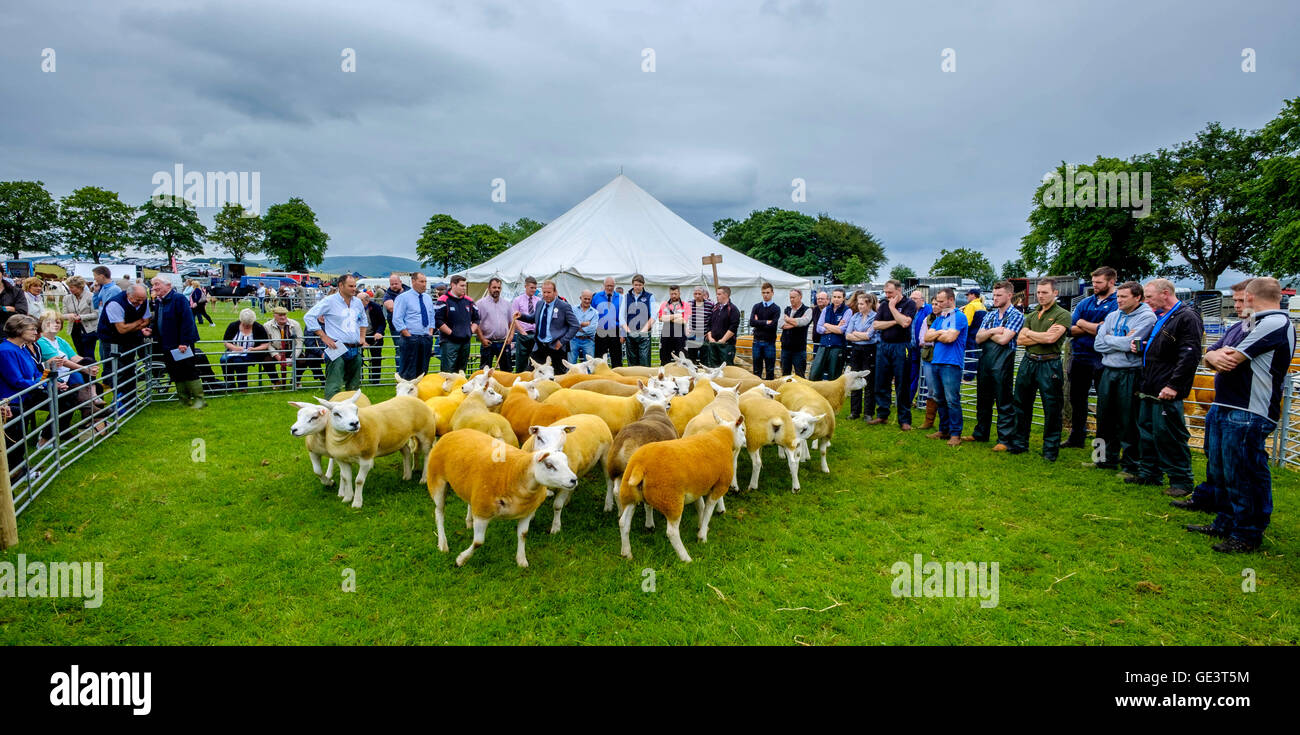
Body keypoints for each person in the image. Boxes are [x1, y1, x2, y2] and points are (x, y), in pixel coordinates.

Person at [1187, 277, 1293, 553]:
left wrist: (1216, 357)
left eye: (1241, 298)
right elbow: (1209, 355)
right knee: (1222, 468)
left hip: (1250, 410)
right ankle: (1225, 521)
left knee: (1244, 471)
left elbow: (1230, 360)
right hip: (1224, 406)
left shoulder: (1275, 323)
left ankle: (1247, 533)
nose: (1237, 304)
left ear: (1251, 297)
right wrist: (1213, 357)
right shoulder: (1243, 325)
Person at [1128, 278, 1203, 495]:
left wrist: (1174, 385)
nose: (1146, 301)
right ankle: (1149, 473)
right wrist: (1142, 348)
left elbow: (1189, 354)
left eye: (1149, 297)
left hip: (1166, 388)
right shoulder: (1163, 317)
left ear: (1166, 293)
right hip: (1150, 386)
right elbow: (1165, 349)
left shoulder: (1186, 317)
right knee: (1148, 432)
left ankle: (1181, 481)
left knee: (1169, 434)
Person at [1087, 281, 1155, 474]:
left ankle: (1130, 464)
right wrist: (1118, 341)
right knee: (1103, 417)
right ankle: (1101, 458)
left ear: (1138, 297)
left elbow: (1129, 345)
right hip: (1108, 370)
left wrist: (1109, 338)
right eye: (1118, 296)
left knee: (1128, 420)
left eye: (1124, 297)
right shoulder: (1112, 315)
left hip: (1130, 373)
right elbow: (1098, 345)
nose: (1119, 300)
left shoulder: (1146, 317)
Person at [1008, 280, 1072, 460]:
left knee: (1051, 407)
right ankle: (1020, 443)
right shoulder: (1032, 315)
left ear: (1055, 293)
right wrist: (1039, 336)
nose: (1041, 295)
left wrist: (1031, 334)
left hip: (1049, 363)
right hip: (1029, 361)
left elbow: (1051, 339)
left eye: (1045, 292)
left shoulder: (1062, 314)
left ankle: (1050, 449)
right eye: (1039, 292)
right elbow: (1020, 340)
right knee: (1021, 403)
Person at [964, 281, 1024, 450]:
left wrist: (989, 333)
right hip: (986, 361)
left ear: (1009, 295)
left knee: (1003, 401)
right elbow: (978, 337)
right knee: (983, 400)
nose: (995, 298)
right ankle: (980, 433)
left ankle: (1004, 439)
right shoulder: (990, 315)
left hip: (1003, 362)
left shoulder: (1016, 315)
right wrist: (993, 331)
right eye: (994, 295)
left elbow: (1005, 339)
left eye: (999, 295)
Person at [1064, 267, 1119, 448]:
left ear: (1111, 282)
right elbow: (1071, 329)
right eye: (1093, 282)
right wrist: (1093, 327)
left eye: (1099, 282)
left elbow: (1106, 330)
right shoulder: (1086, 302)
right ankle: (1077, 437)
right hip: (1080, 355)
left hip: (1103, 358)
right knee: (1077, 399)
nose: (1094, 286)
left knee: (1105, 403)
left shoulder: (1116, 303)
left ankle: (1102, 446)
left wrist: (1083, 324)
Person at [303, 274, 368, 397]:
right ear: (340, 285)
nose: (354, 289)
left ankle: (351, 410)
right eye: (350, 286)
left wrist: (362, 337)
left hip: (354, 347)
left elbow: (363, 320)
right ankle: (330, 409)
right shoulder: (330, 301)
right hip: (336, 346)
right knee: (334, 383)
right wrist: (323, 336)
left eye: (355, 286)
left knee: (354, 385)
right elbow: (309, 316)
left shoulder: (358, 303)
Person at [0, 315, 48, 482]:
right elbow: (16, 380)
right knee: (15, 439)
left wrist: (46, 382)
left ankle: (20, 469)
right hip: (11, 402)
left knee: (20, 438)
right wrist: (42, 384)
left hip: (27, 395)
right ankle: (16, 472)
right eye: (32, 329)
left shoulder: (22, 348)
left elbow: (35, 373)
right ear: (18, 330)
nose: (36, 332)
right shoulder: (5, 351)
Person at [149, 277, 205, 408]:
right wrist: (151, 330)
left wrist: (184, 342)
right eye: (153, 285)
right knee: (175, 371)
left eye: (157, 284)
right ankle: (183, 399)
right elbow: (158, 320)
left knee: (188, 370)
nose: (154, 288)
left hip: (181, 344)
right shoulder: (160, 302)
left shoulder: (179, 299)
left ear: (168, 285)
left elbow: (187, 321)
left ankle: (199, 399)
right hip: (167, 343)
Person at [868, 280, 917, 430]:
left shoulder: (909, 304)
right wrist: (895, 320)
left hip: (901, 346)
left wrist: (892, 308)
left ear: (899, 290)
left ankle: (904, 419)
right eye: (886, 292)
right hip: (884, 345)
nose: (887, 295)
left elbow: (905, 323)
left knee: (902, 383)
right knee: (881, 381)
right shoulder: (883, 304)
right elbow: (876, 325)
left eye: (890, 292)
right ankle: (882, 414)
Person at [923, 288, 969, 447]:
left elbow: (950, 338)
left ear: (951, 300)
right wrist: (941, 332)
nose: (939, 304)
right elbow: (926, 337)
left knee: (952, 399)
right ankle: (944, 430)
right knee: (939, 398)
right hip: (937, 361)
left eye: (941, 301)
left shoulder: (959, 317)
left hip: (951, 363)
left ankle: (956, 433)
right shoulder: (939, 318)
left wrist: (938, 333)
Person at [96, 283, 152, 412]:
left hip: (130, 340)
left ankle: (131, 401)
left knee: (130, 369)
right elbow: (121, 329)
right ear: (128, 295)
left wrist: (132, 326)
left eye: (142, 300)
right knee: (116, 370)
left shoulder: (143, 301)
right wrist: (138, 323)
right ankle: (119, 402)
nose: (140, 303)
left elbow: (147, 320)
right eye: (137, 300)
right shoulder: (115, 304)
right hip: (112, 341)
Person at [513, 280, 578, 373]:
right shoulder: (540, 304)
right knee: (531, 372)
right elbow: (533, 318)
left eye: (549, 292)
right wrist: (521, 316)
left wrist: (562, 341)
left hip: (556, 346)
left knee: (559, 375)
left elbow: (575, 325)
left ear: (555, 292)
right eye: (544, 292)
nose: (546, 295)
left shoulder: (564, 306)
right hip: (540, 346)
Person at [393, 272, 437, 380]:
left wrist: (430, 333)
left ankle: (419, 394)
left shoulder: (427, 298)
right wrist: (407, 335)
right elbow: (397, 318)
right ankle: (405, 395)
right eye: (421, 281)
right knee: (408, 370)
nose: (424, 284)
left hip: (425, 337)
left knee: (423, 371)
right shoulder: (403, 298)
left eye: (425, 281)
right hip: (411, 337)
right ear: (413, 281)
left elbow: (431, 316)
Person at [844, 291, 879, 420]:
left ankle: (868, 413)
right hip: (856, 350)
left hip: (869, 350)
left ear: (869, 304)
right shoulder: (855, 316)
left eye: (862, 304)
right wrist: (861, 335)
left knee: (868, 381)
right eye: (858, 304)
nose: (859, 306)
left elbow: (869, 336)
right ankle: (855, 411)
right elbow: (847, 334)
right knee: (854, 378)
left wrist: (856, 333)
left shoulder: (875, 317)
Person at [435, 275, 479, 373]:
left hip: (465, 342)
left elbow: (476, 319)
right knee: (448, 372)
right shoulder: (443, 300)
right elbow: (438, 321)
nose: (464, 288)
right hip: (449, 342)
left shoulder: (469, 301)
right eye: (462, 285)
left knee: (461, 372)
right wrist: (452, 334)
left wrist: (470, 331)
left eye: (465, 286)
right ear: (453, 285)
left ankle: (459, 388)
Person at [220, 308, 271, 390]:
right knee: (223, 360)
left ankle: (242, 387)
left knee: (238, 361)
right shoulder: (233, 325)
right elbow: (226, 342)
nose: (247, 325)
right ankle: (230, 385)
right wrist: (235, 348)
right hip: (234, 351)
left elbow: (265, 344)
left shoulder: (258, 327)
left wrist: (254, 349)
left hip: (253, 353)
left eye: (249, 324)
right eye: (245, 323)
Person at [810, 288, 850, 381]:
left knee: (834, 376)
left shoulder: (847, 311)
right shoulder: (826, 309)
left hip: (838, 346)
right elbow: (819, 328)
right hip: (823, 345)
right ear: (831, 298)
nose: (836, 299)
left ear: (844, 298)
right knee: (814, 374)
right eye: (834, 297)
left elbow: (841, 330)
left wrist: (827, 325)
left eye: (839, 297)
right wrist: (835, 327)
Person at [475, 277, 513, 371]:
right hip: (488, 343)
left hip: (503, 343)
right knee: (485, 371)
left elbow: (512, 322)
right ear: (489, 288)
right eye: (494, 287)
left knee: (507, 371)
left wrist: (511, 336)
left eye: (499, 288)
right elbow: (476, 323)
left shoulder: (507, 304)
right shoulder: (480, 304)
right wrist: (482, 339)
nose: (497, 290)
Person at [263, 306, 304, 388]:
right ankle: (275, 381)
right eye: (280, 315)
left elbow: (300, 342)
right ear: (274, 315)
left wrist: (294, 357)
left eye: (284, 315)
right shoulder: (267, 326)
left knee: (302, 361)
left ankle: (296, 380)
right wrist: (277, 356)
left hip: (292, 350)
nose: (283, 317)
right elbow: (268, 344)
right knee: (266, 361)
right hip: (276, 350)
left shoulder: (295, 324)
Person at [60, 275, 99, 361]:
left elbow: (96, 314)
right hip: (75, 330)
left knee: (89, 354)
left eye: (72, 287)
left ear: (80, 287)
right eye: (69, 287)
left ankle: (91, 372)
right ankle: (83, 372)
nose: (70, 289)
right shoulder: (67, 298)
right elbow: (63, 314)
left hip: (89, 330)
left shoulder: (91, 297)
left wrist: (81, 317)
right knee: (79, 354)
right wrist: (69, 316)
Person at [748, 282, 780, 380]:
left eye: (767, 292)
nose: (765, 295)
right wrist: (766, 322)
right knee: (757, 369)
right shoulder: (756, 306)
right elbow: (752, 322)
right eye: (763, 293)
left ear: (772, 293)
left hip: (769, 342)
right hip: (757, 341)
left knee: (770, 369)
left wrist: (759, 322)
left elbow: (773, 325)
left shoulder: (776, 308)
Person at [622, 274, 656, 367]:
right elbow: (621, 316)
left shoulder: (650, 296)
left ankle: (645, 380)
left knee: (644, 361)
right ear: (632, 284)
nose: (637, 287)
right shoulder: (626, 297)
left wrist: (643, 330)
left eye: (640, 285)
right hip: (630, 333)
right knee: (632, 363)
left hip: (644, 334)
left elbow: (654, 316)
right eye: (636, 285)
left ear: (643, 285)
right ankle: (633, 381)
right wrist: (628, 331)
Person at [704, 286, 741, 367]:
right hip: (713, 343)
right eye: (717, 294)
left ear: (726, 295)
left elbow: (733, 327)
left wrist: (723, 340)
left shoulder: (733, 309)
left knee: (726, 368)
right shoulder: (715, 308)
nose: (717, 296)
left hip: (726, 345)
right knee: (713, 368)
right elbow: (709, 324)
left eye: (719, 294)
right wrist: (710, 338)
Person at [779, 288, 812, 378]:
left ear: (800, 297)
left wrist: (788, 320)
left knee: (799, 375)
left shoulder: (807, 310)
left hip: (799, 349)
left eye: (793, 297)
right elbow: (781, 324)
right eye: (790, 297)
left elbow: (804, 322)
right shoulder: (787, 309)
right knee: (785, 375)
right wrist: (796, 323)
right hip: (785, 348)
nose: (791, 299)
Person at [591, 277, 624, 368]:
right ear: (604, 285)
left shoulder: (620, 298)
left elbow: (623, 317)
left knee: (616, 358)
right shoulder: (596, 297)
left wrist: (623, 333)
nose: (609, 288)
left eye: (611, 286)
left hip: (615, 331)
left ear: (614, 286)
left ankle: (616, 378)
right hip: (601, 331)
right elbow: (592, 314)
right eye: (607, 286)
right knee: (599, 358)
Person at [907, 289, 931, 410]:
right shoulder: (911, 310)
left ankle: (922, 401)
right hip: (911, 347)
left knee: (924, 375)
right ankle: (908, 399)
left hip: (923, 347)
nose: (912, 301)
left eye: (914, 299)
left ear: (922, 300)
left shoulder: (927, 310)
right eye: (910, 298)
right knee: (912, 373)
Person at [511, 277, 540, 372]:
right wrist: (522, 331)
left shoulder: (539, 301)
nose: (534, 290)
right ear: (525, 286)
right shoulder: (517, 300)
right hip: (523, 334)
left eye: (535, 288)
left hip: (535, 334)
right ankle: (521, 380)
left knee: (535, 361)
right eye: (531, 287)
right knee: (521, 361)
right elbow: (514, 318)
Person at [382, 273, 407, 374]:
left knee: (412, 350)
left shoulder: (409, 290)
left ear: (400, 282)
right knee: (399, 349)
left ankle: (411, 374)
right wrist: (409, 308)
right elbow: (391, 308)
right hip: (396, 328)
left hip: (411, 326)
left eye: (396, 283)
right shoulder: (388, 294)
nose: (394, 286)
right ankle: (400, 374)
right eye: (392, 284)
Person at [657, 285, 688, 365]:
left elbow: (683, 320)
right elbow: (660, 318)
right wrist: (676, 316)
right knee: (664, 357)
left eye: (675, 294)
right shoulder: (664, 304)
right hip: (666, 334)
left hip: (680, 335)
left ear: (679, 293)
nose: (673, 296)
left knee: (681, 357)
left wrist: (668, 318)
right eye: (671, 294)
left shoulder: (685, 305)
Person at [960, 287, 987, 381]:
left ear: (973, 295)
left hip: (971, 334)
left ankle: (968, 376)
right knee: (977, 354)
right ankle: (977, 373)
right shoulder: (982, 306)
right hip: (980, 334)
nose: (967, 297)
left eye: (968, 295)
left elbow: (967, 322)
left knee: (969, 355)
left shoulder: (971, 306)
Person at [360, 291, 387, 383]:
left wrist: (379, 332)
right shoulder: (354, 308)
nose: (357, 302)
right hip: (359, 335)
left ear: (367, 301)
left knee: (376, 357)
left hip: (374, 334)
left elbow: (382, 322)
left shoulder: (375, 307)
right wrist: (361, 339)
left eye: (360, 300)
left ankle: (375, 380)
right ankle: (358, 379)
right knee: (357, 357)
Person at [685, 286, 713, 365]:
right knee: (691, 357)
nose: (697, 296)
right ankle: (692, 374)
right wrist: (686, 328)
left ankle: (704, 375)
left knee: (704, 358)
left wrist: (709, 332)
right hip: (692, 334)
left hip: (704, 334)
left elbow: (713, 320)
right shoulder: (689, 304)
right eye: (695, 294)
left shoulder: (710, 305)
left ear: (703, 294)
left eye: (699, 294)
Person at [570, 289, 599, 364]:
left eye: (589, 299)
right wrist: (584, 324)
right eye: (585, 298)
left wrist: (577, 327)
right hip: (573, 340)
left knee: (589, 365)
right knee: (570, 364)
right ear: (580, 298)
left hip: (588, 341)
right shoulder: (573, 309)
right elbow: (571, 323)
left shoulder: (595, 313)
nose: (587, 301)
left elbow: (592, 329)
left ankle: (588, 376)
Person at [809, 290, 828, 369]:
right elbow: (808, 322)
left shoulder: (830, 310)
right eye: (818, 299)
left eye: (822, 299)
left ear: (828, 300)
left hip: (827, 343)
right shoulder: (814, 310)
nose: (819, 300)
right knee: (816, 365)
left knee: (826, 365)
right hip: (816, 342)